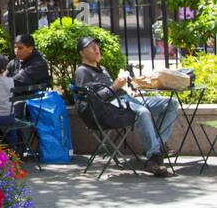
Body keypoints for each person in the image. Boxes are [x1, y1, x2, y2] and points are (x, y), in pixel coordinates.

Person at [73, 36, 180, 177]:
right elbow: (95, 98)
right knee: (143, 112)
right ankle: (154, 157)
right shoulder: (82, 71)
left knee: (171, 103)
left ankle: (157, 146)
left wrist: (127, 90)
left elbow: (114, 90)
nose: (96, 49)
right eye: (91, 47)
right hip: (110, 108)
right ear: (82, 52)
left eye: (96, 45)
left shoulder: (102, 69)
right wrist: (115, 85)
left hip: (125, 99)